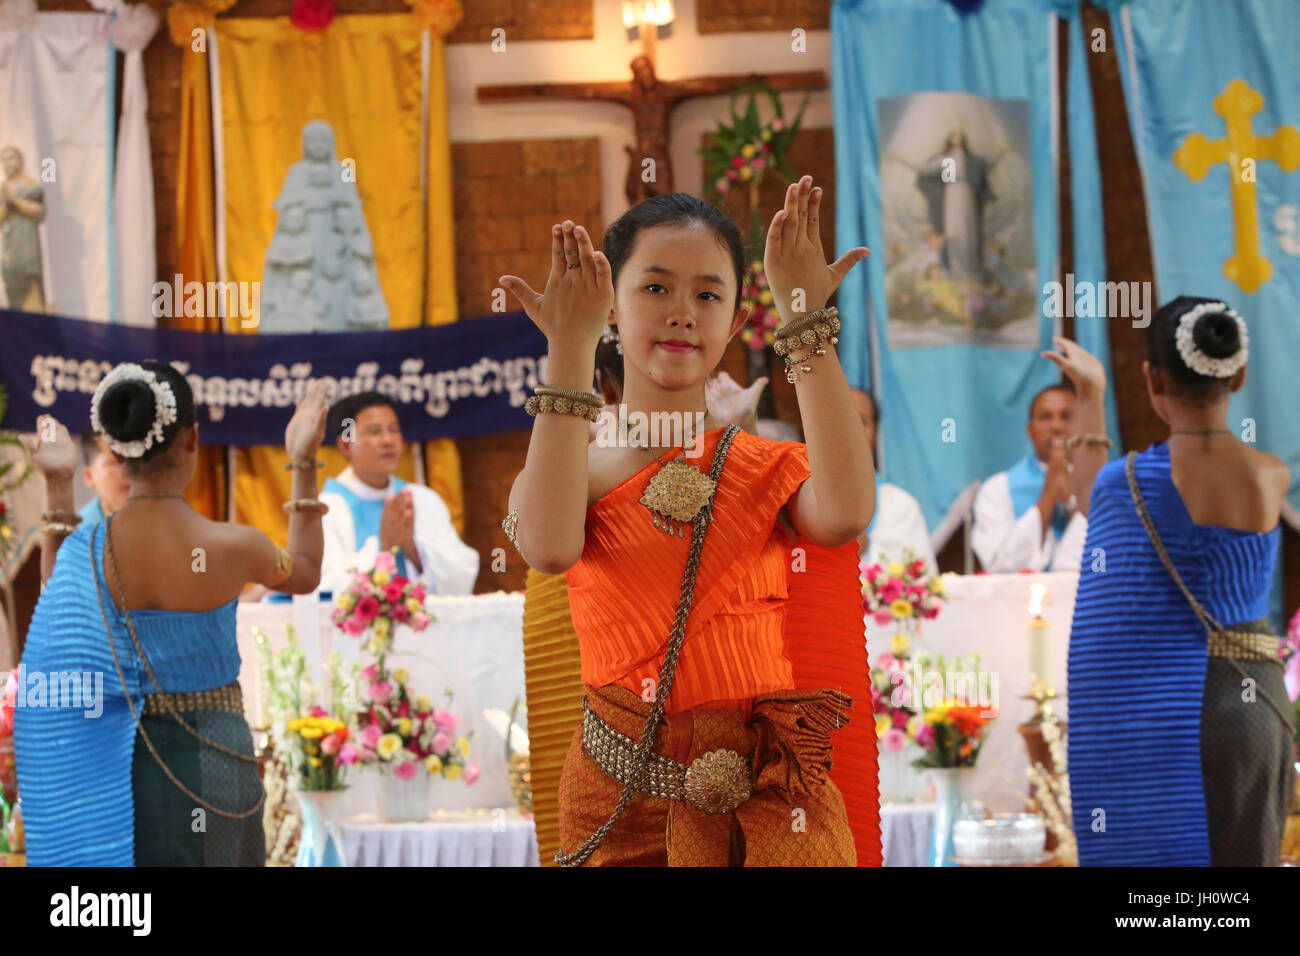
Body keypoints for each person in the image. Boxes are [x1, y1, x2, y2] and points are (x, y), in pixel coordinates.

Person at [500, 178, 882, 866]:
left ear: (736, 322)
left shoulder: (770, 467)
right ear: (610, 306)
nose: (683, 313)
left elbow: (849, 512)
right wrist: (568, 349)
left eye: (708, 294)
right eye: (655, 288)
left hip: (773, 800)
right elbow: (549, 548)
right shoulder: (577, 472)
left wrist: (806, 316)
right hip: (618, 802)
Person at [14, 363, 330, 865]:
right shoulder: (233, 545)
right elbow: (307, 571)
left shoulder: (89, 550)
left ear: (115, 451)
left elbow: (58, 598)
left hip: (126, 762)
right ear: (193, 439)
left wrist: (58, 484)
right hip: (220, 757)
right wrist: (302, 460)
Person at [1063, 297, 1295, 866]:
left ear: (1152, 377)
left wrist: (1091, 395)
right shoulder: (1272, 474)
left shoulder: (1127, 482)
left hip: (1172, 712)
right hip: (1253, 703)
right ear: (1238, 375)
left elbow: (1090, 496)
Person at [318, 391, 478, 597]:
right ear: (346, 444)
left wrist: (413, 547)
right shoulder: (326, 508)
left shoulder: (421, 499)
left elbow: (462, 571)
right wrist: (383, 546)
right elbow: (324, 583)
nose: (388, 440)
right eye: (374, 431)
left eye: (394, 430)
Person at [972, 381, 1087, 572]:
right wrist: (1047, 497)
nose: (1056, 426)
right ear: (1030, 430)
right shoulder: (998, 488)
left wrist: (1074, 502)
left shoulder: (1103, 484)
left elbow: (1106, 564)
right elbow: (998, 567)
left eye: (1067, 416)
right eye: (1045, 417)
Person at [850, 388, 937, 573]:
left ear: (875, 434)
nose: (852, 431)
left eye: (861, 421)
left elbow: (923, 588)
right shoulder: (796, 504)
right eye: (840, 421)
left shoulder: (901, 506)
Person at [77, 432, 131, 523]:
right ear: (89, 476)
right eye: (115, 463)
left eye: (135, 462)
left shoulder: (161, 519)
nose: (128, 471)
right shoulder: (78, 533)